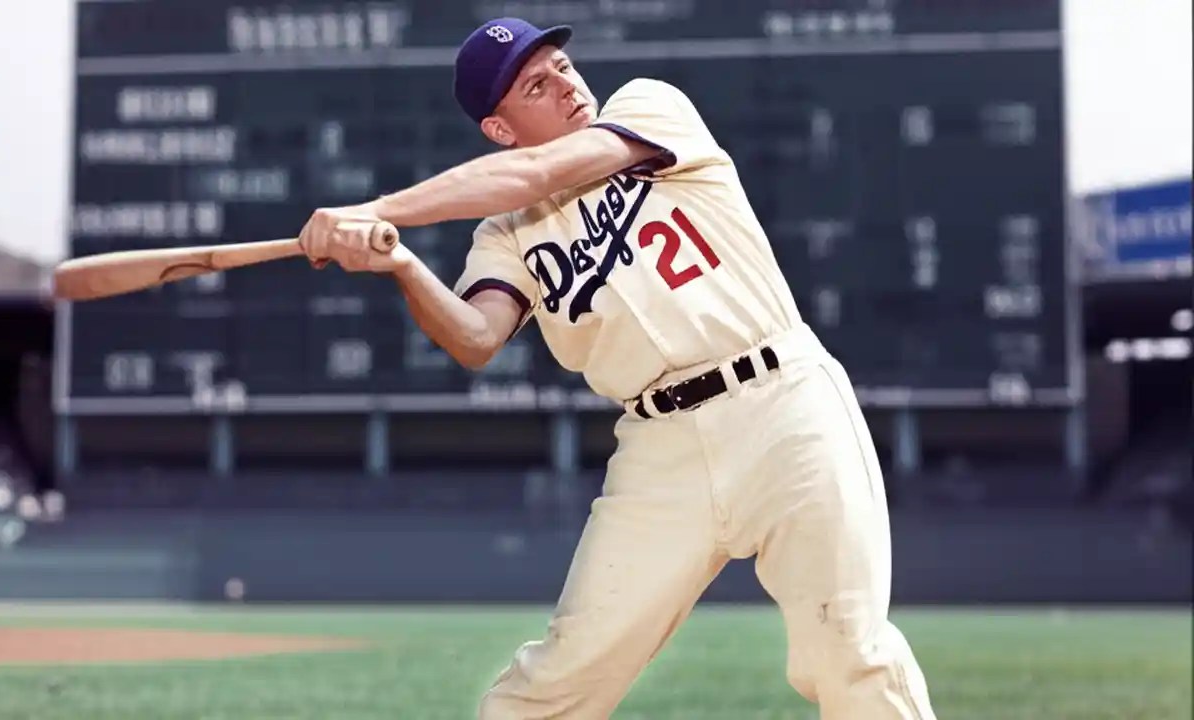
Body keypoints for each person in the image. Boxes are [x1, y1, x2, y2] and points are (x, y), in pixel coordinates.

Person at [297, 17, 936, 720]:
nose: (566, 84)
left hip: (780, 402)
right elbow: (476, 337)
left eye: (561, 65)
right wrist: (398, 260)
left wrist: (376, 209)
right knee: (556, 682)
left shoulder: (646, 109)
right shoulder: (506, 236)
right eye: (536, 86)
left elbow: (535, 174)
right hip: (661, 449)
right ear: (500, 128)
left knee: (847, 650)